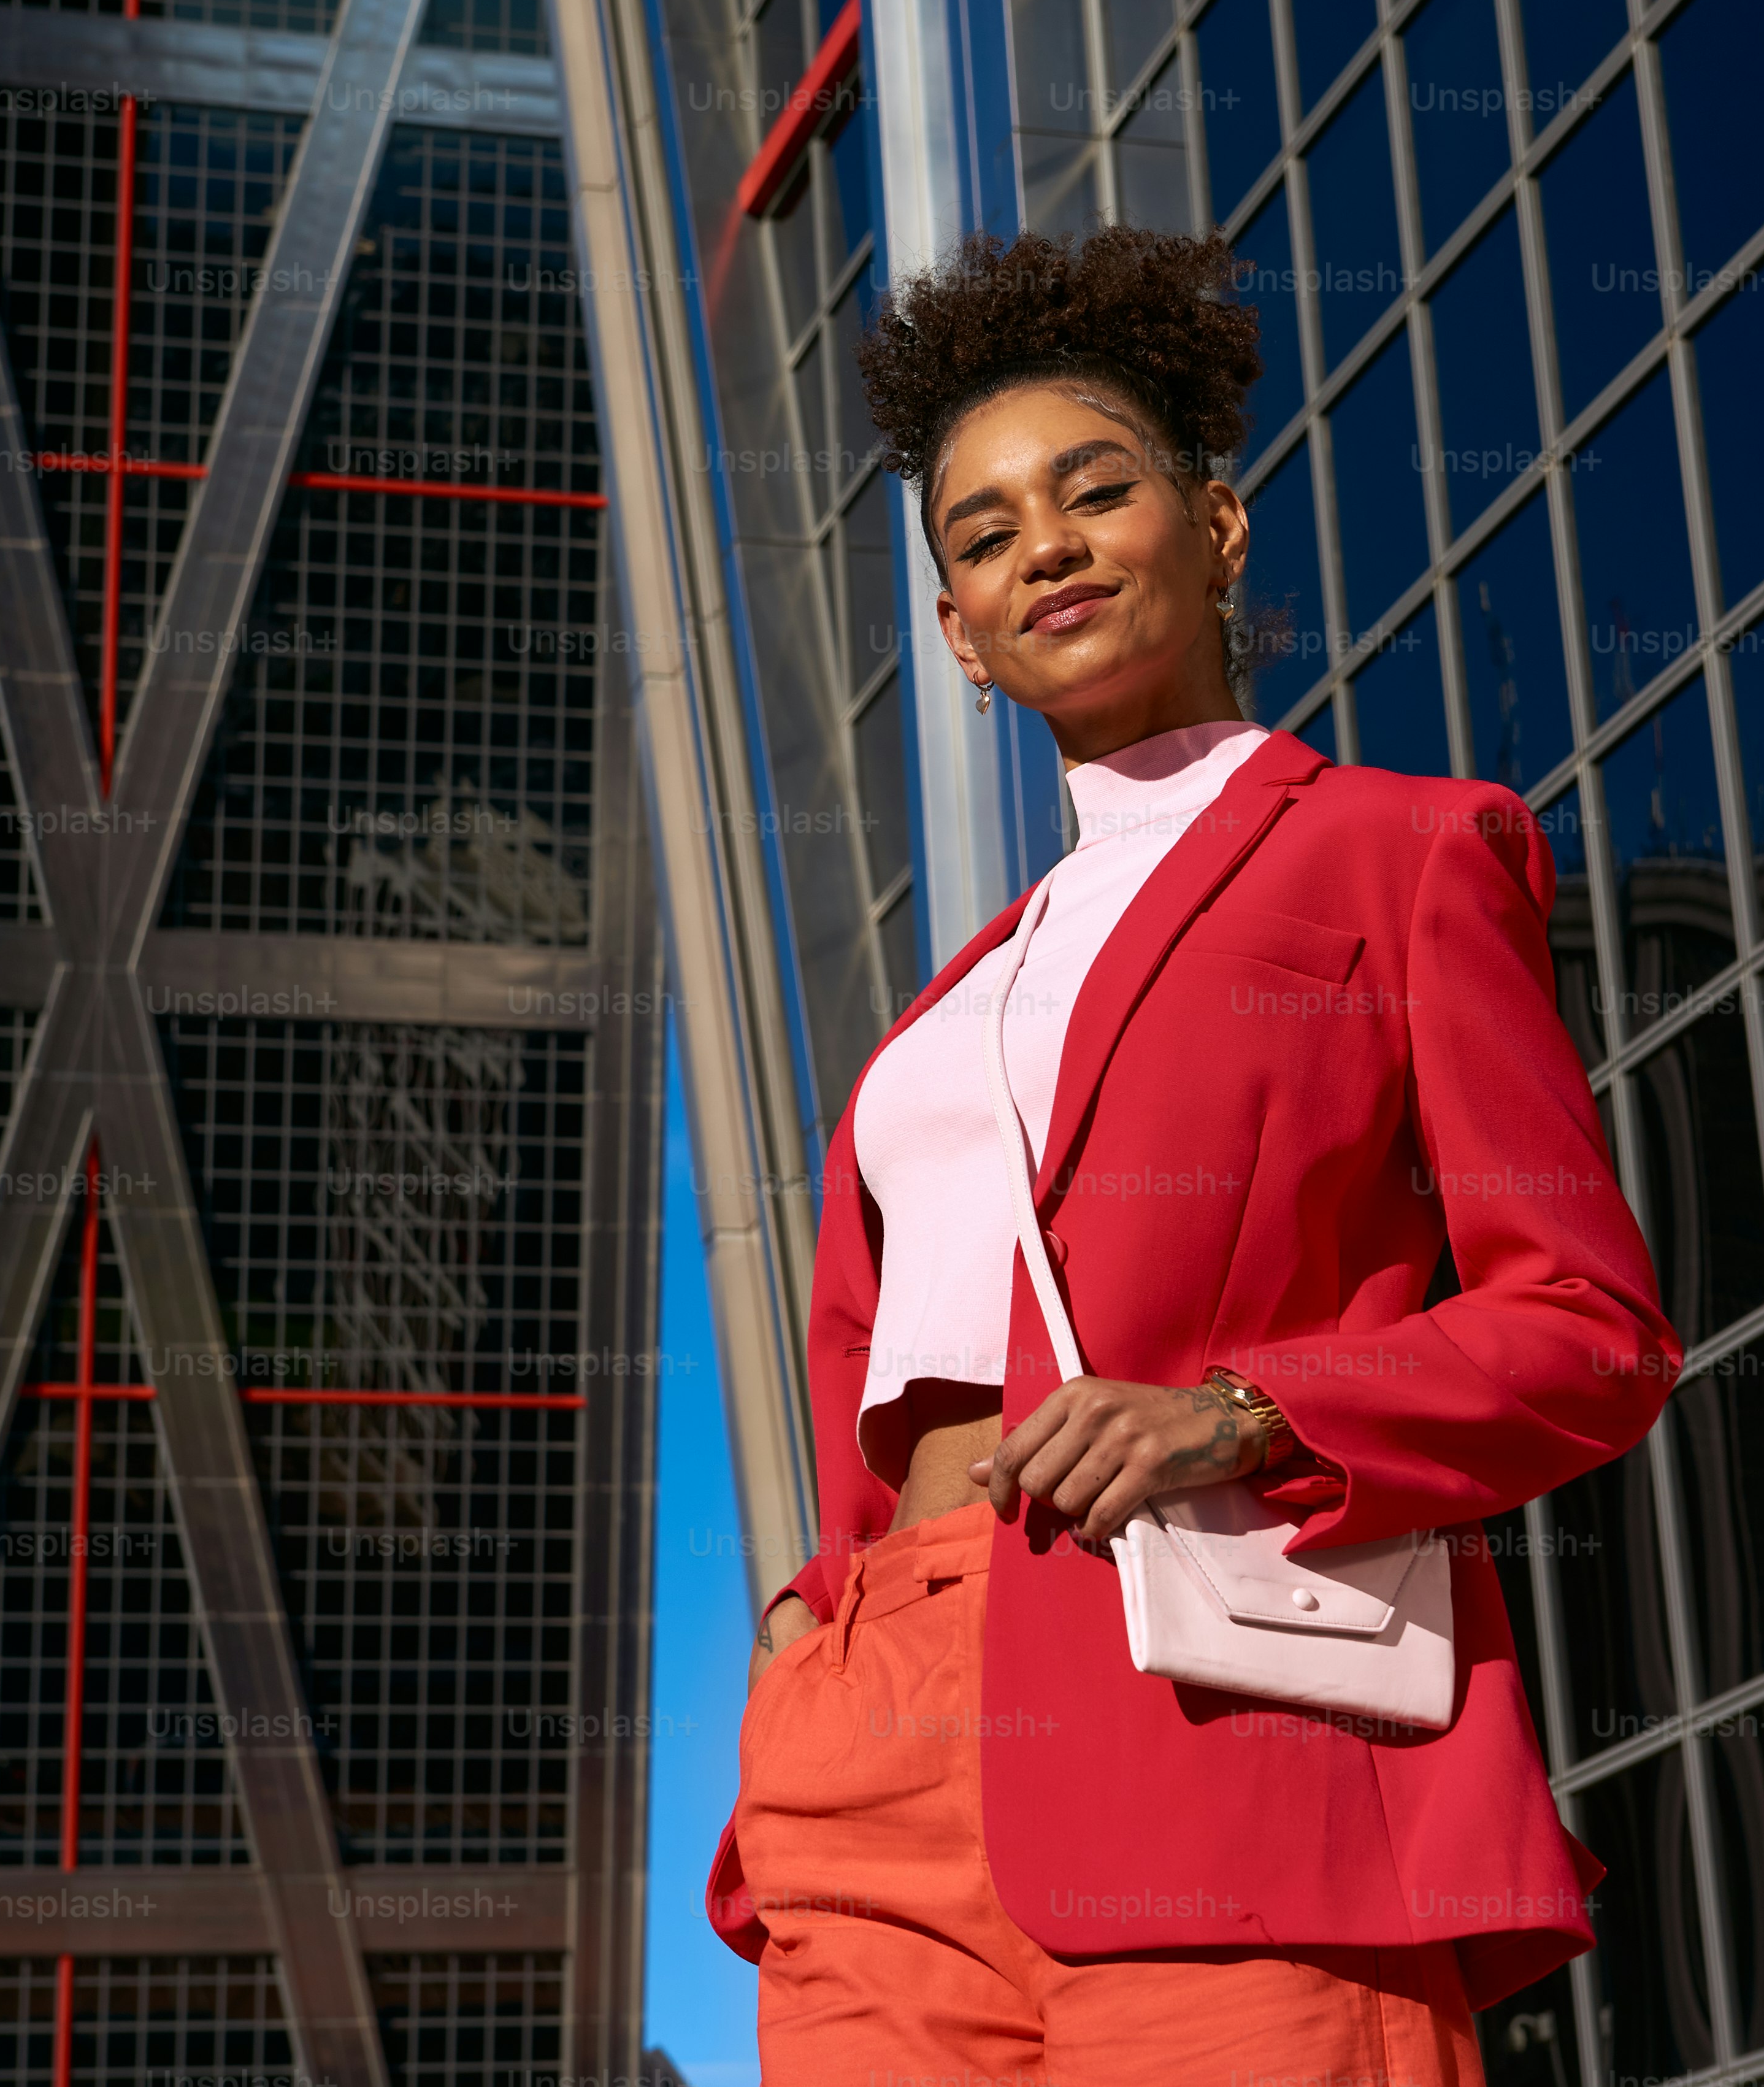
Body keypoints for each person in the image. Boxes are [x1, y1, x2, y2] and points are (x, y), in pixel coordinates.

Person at [704, 226, 1680, 2080]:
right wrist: (807, 1626)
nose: (1042, 547)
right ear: (958, 638)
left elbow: (1587, 1328)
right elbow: (865, 1399)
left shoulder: (1396, 853)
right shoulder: (940, 1019)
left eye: (1092, 493)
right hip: (871, 1751)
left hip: (1212, 1716)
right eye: (983, 538)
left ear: (1213, 531)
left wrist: (1240, 1412)